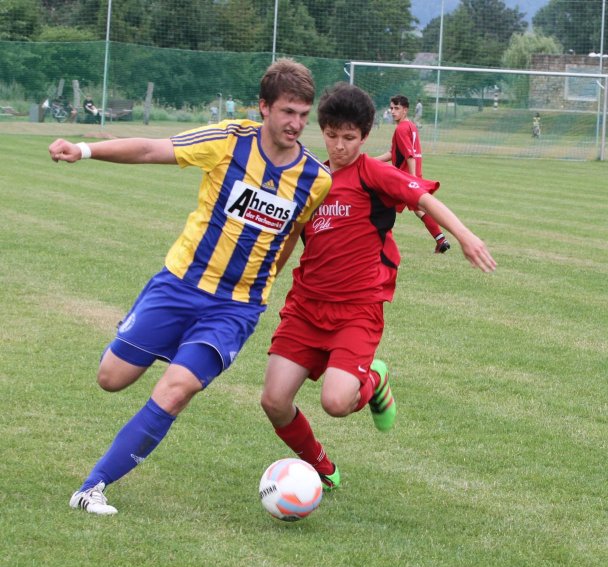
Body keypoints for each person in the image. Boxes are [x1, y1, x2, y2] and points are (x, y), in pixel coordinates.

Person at [48, 58, 332, 515]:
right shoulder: (228, 140)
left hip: (236, 308)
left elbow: (292, 236)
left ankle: (93, 486)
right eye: (287, 112)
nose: (297, 123)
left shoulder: (315, 178)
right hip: (179, 285)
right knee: (111, 378)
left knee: (177, 389)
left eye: (304, 113)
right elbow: (149, 149)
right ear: (263, 107)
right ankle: (143, 336)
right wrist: (83, 149)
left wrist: (264, 287)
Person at [260, 82, 496, 489]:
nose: (339, 147)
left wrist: (464, 235)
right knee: (274, 402)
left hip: (357, 309)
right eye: (331, 136)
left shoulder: (373, 173)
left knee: (336, 403)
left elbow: (424, 199)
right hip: (305, 307)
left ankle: (375, 380)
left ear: (365, 136)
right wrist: (261, 285)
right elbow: (287, 240)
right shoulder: (309, 178)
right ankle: (321, 466)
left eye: (349, 138)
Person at [376, 94, 450, 254]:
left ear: (405, 110)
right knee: (419, 209)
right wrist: (370, 161)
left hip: (403, 179)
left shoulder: (401, 128)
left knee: (381, 207)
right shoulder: (410, 126)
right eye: (391, 108)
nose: (393, 111)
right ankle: (440, 240)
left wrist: (414, 180)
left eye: (397, 108)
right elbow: (392, 153)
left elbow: (409, 155)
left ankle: (381, 246)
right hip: (410, 176)